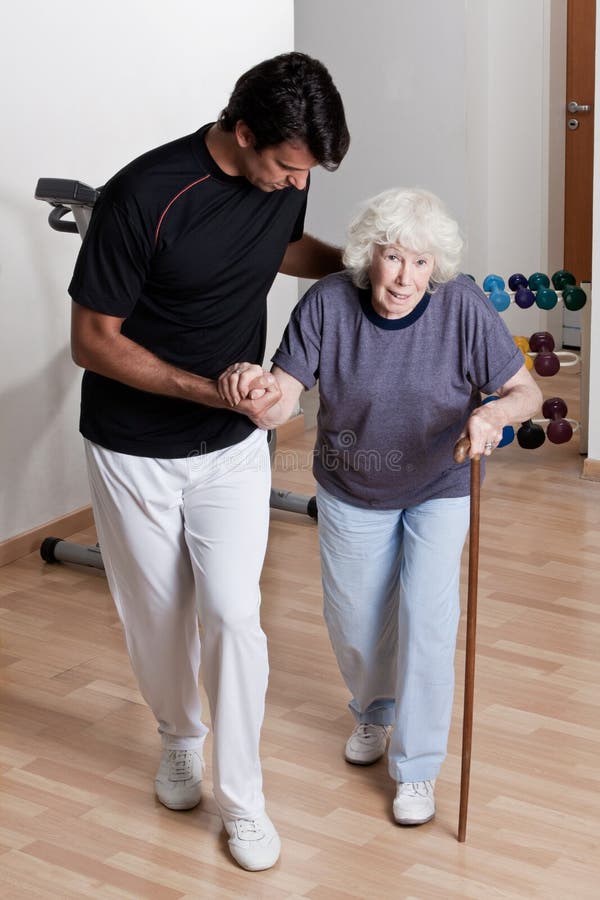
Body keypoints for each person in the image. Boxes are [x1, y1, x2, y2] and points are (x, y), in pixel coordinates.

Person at [68, 52, 349, 871]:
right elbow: (92, 342)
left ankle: (245, 800)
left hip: (231, 450)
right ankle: (178, 737)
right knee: (157, 620)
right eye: (287, 168)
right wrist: (209, 391)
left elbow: (286, 246)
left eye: (309, 174)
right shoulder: (145, 195)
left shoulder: (286, 180)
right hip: (135, 449)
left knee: (232, 615)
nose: (296, 185)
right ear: (243, 131)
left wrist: (364, 270)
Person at [218, 187, 542, 827]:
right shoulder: (328, 306)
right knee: (356, 624)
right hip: (351, 486)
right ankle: (373, 711)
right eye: (394, 258)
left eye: (421, 263)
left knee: (428, 619)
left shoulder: (462, 307)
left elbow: (523, 391)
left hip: (439, 483)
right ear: (370, 257)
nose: (406, 278)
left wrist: (493, 415)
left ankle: (416, 768)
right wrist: (259, 392)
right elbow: (286, 396)